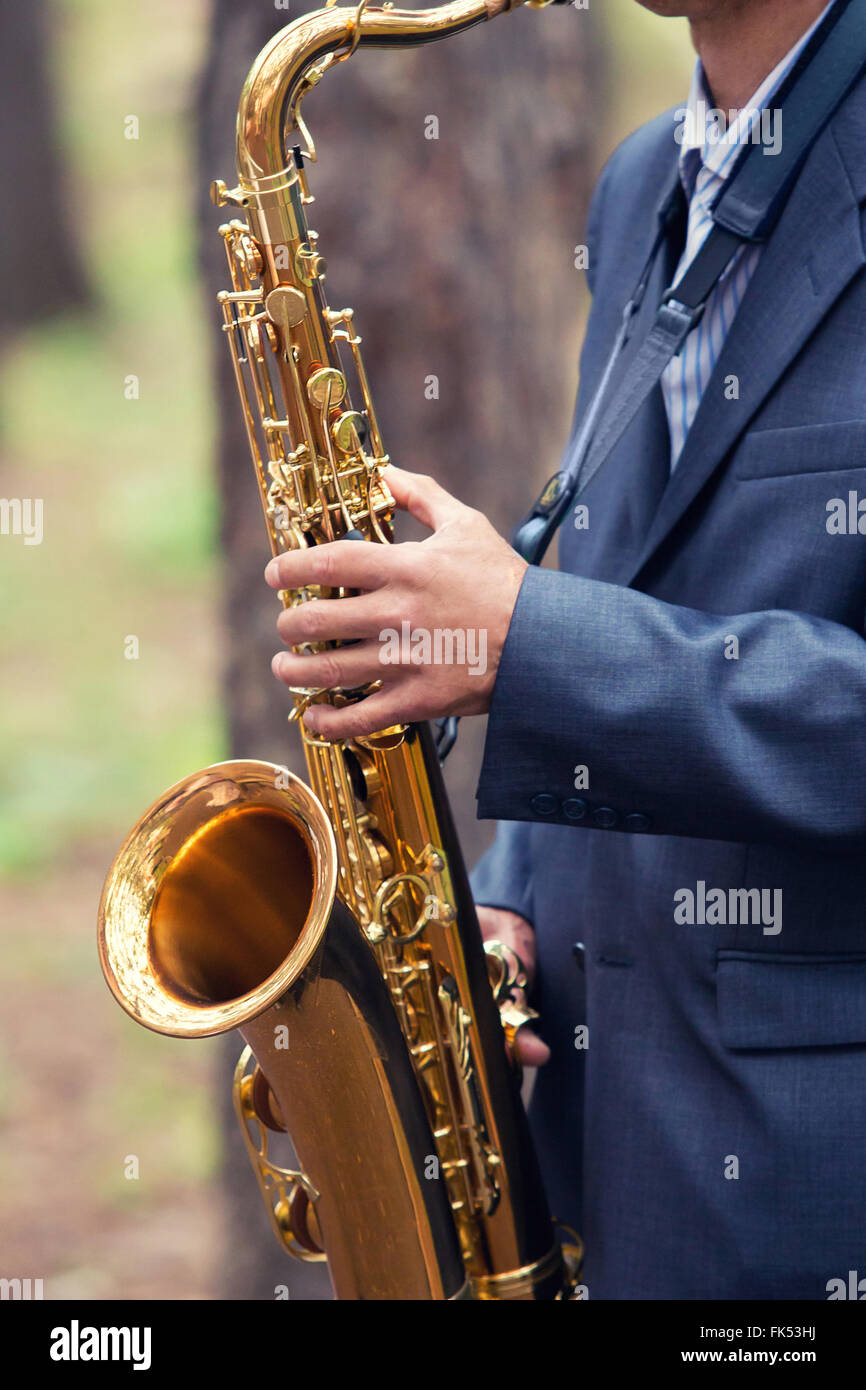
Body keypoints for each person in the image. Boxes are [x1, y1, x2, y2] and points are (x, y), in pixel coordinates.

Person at [265, 0, 866, 1299]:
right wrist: (510, 895)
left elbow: (581, 634)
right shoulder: (646, 177)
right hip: (606, 1142)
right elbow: (632, 574)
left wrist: (530, 637)